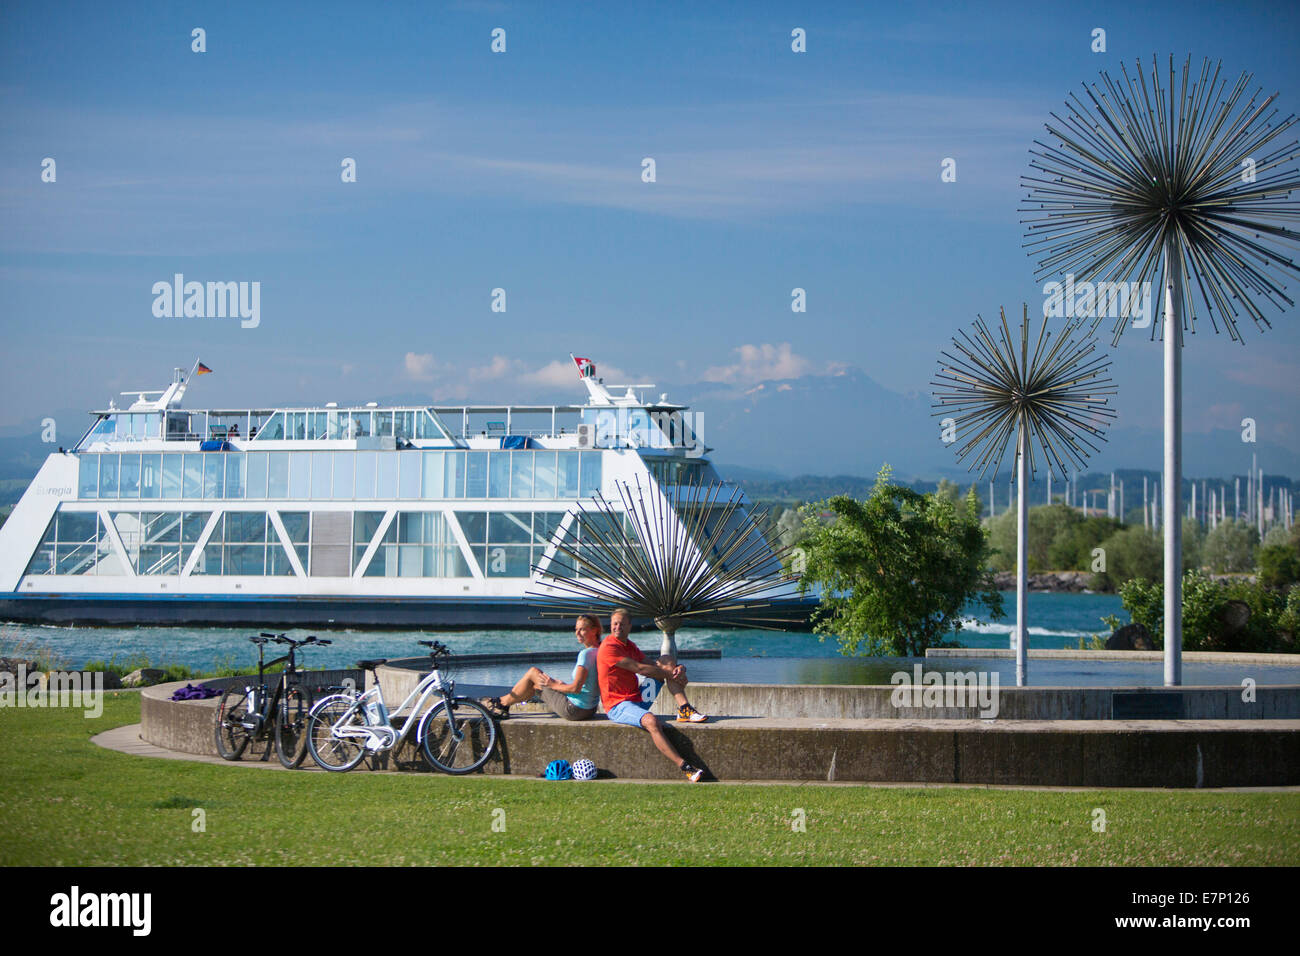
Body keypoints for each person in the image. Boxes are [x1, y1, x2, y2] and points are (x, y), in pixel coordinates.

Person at [597, 608, 708, 783]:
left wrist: (677, 669)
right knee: (651, 721)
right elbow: (639, 669)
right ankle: (685, 767)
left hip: (638, 699)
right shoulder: (609, 647)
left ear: (629, 626)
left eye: (621, 624)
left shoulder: (630, 646)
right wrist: (672, 674)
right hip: (618, 706)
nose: (617, 627)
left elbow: (654, 665)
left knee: (667, 659)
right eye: (614, 624)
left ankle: (685, 709)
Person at [481, 615, 602, 720]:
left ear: (594, 631)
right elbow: (586, 686)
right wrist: (561, 685)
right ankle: (503, 704)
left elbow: (576, 688)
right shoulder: (598, 650)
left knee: (533, 673)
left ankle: (500, 703)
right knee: (536, 682)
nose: (577, 633)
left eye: (582, 629)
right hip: (589, 708)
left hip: (575, 710)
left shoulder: (585, 655)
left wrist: (554, 685)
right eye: (576, 629)